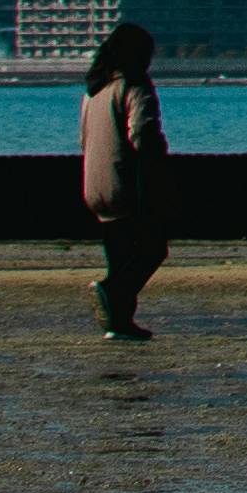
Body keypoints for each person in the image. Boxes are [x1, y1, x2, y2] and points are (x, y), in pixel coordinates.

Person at [77, 21, 171, 342]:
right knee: (152, 248)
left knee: (119, 255)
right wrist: (160, 162)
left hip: (95, 185)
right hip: (126, 184)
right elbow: (143, 134)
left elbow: (84, 138)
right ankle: (112, 294)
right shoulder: (134, 85)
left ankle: (118, 323)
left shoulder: (94, 90)